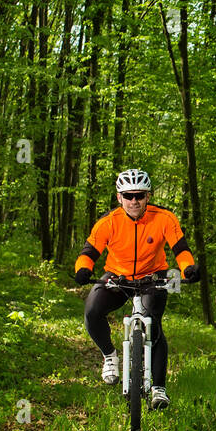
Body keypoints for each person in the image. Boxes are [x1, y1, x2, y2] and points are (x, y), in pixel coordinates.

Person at [73, 169, 199, 410]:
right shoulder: (108, 222)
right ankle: (110, 355)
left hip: (153, 277)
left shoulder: (164, 218)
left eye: (139, 195)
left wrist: (188, 269)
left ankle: (159, 389)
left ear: (148, 196)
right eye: (128, 195)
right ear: (119, 197)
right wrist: (83, 269)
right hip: (117, 277)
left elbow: (180, 249)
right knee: (92, 311)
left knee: (154, 324)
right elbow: (88, 252)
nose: (134, 201)